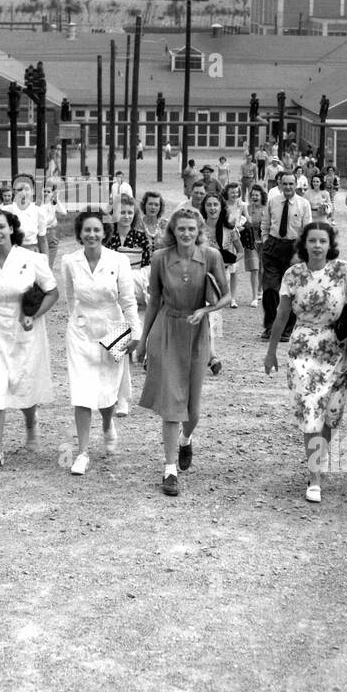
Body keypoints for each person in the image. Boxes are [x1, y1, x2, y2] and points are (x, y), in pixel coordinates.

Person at [264, 221, 347, 503]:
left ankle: (320, 455)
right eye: (312, 241)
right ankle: (314, 478)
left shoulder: (343, 270)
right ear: (304, 244)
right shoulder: (293, 275)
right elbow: (281, 316)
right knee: (311, 408)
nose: (317, 246)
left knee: (332, 412)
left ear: (329, 244)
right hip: (302, 346)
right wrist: (271, 351)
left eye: (322, 241)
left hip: (336, 346)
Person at [135, 207, 230, 496]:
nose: (186, 233)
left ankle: (186, 439)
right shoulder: (159, 258)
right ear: (172, 231)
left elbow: (226, 296)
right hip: (167, 328)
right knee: (171, 404)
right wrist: (142, 341)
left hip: (197, 330)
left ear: (198, 230)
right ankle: (169, 469)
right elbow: (153, 302)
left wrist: (206, 309)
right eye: (180, 229)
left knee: (193, 409)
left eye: (191, 229)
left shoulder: (211, 256)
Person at [0, 206, 59, 471]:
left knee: (23, 383)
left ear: (11, 228)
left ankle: (31, 422)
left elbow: (52, 292)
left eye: (1, 226)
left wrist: (34, 314)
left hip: (24, 331)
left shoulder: (32, 258)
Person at [62, 210, 140, 474]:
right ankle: (82, 452)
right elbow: (71, 298)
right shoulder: (69, 261)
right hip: (81, 330)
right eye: (87, 230)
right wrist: (77, 322)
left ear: (104, 233)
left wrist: (135, 333)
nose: (92, 235)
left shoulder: (118, 260)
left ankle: (107, 424)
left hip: (113, 327)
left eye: (96, 230)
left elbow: (128, 300)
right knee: (81, 392)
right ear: (79, 234)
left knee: (107, 392)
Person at [260, 172, 311, 339]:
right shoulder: (272, 202)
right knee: (269, 288)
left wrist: (300, 253)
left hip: (293, 248)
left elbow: (307, 231)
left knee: (290, 291)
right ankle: (270, 326)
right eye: (285, 184)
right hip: (273, 246)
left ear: (296, 184)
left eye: (291, 184)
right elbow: (265, 224)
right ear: (280, 184)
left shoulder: (303, 204)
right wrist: (266, 240)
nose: (288, 187)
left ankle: (288, 329)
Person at [200, 190, 239, 373]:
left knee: (210, 314)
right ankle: (211, 355)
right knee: (204, 315)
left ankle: (211, 354)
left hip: (219, 278)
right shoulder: (198, 227)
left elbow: (242, 250)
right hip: (199, 274)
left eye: (215, 204)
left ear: (221, 207)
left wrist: (229, 262)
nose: (212, 208)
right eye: (209, 204)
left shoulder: (229, 229)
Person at [0, 174, 48, 257]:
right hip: (12, 254)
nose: (23, 193)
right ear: (14, 192)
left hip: (32, 253)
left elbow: (42, 240)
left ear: (32, 191)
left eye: (26, 189)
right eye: (19, 190)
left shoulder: (39, 211)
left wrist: (45, 263)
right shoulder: (5, 211)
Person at [104, 194, 151, 268]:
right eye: (122, 212)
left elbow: (146, 267)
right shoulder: (106, 237)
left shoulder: (141, 238)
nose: (127, 217)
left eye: (130, 213)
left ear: (134, 214)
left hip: (136, 278)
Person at [222, 182, 249, 305]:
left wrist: (242, 225)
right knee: (222, 269)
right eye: (232, 192)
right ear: (227, 192)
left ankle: (232, 298)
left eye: (237, 192)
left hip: (235, 239)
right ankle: (223, 295)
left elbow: (247, 220)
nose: (235, 194)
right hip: (224, 239)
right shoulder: (223, 205)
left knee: (234, 270)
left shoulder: (241, 205)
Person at [244, 183, 267, 307]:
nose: (254, 197)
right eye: (252, 195)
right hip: (251, 243)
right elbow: (243, 223)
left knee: (262, 269)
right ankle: (254, 297)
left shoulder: (267, 208)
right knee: (254, 269)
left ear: (261, 196)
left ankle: (259, 291)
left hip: (264, 242)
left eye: (256, 195)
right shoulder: (247, 209)